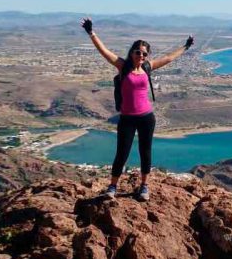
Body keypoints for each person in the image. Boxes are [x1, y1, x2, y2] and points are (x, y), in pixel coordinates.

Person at [80, 16, 193, 201]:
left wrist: (185, 47)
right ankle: (112, 187)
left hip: (147, 117)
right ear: (132, 52)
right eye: (138, 52)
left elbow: (169, 58)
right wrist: (91, 32)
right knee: (121, 153)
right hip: (127, 118)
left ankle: (144, 186)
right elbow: (104, 51)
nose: (141, 56)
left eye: (144, 54)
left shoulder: (147, 67)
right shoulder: (123, 67)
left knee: (145, 152)